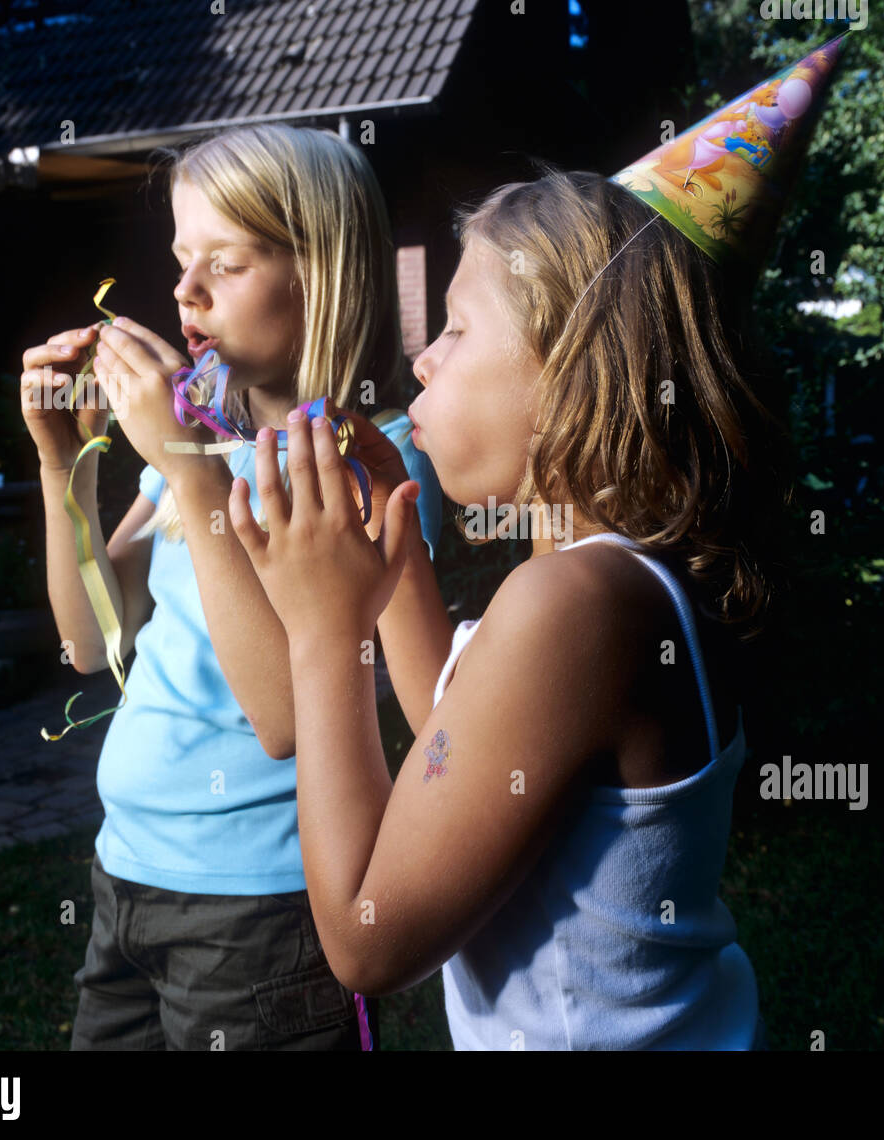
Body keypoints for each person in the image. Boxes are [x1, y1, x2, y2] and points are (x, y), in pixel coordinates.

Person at [228, 36, 845, 1049]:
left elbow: (368, 942)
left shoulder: (576, 602)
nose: (422, 358)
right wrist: (396, 567)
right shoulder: (592, 579)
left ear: (574, 370)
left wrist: (317, 634)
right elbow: (456, 758)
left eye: (459, 329)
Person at [19, 123, 441, 1050]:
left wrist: (192, 472)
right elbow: (91, 643)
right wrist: (63, 468)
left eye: (226, 261)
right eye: (180, 261)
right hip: (124, 874)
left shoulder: (373, 462)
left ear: (319, 273)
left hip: (259, 912)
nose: (185, 291)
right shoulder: (199, 442)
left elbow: (286, 720)